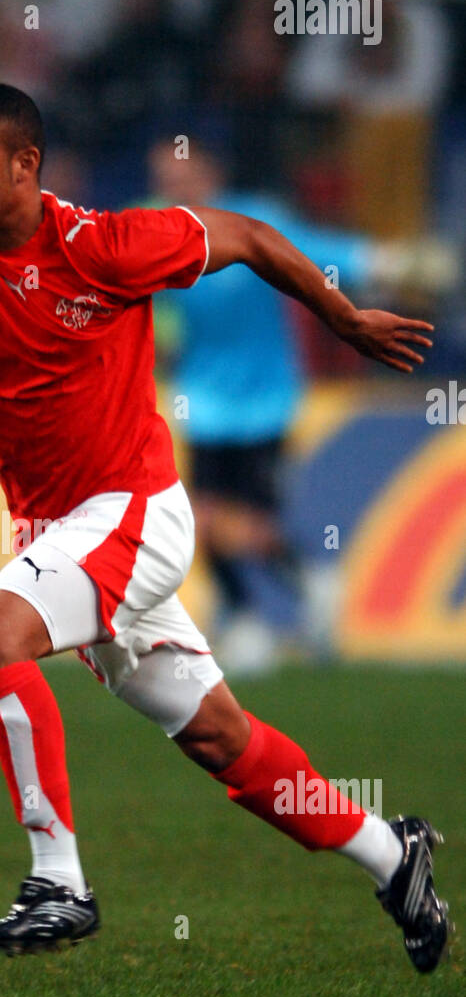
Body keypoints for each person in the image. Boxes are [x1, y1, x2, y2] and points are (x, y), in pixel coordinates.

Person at [0, 82, 448, 973]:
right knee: (218, 739)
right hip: (60, 537)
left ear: (23, 165)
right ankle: (395, 860)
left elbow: (252, 238)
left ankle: (58, 881)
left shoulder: (103, 244)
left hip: (134, 511)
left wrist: (342, 316)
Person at [142, 137, 372, 671]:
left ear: (211, 172)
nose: (173, 185)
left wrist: (378, 259)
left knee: (246, 520)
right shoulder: (156, 230)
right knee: (200, 517)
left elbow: (317, 251)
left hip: (264, 398)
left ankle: (296, 588)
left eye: (181, 173)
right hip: (202, 398)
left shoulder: (252, 220)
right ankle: (257, 610)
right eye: (163, 176)